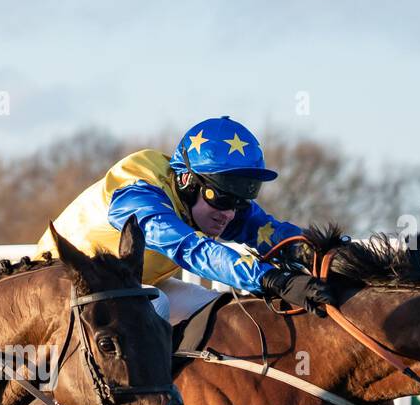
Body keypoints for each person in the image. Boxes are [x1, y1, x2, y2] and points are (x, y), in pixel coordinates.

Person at [36, 116, 333, 323]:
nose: (229, 213)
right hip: (58, 285)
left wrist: (326, 254)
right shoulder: (138, 192)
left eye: (240, 203)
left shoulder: (206, 199)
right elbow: (192, 249)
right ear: (189, 181)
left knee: (218, 312)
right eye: (222, 199)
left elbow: (271, 232)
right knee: (155, 307)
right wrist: (270, 278)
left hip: (125, 284)